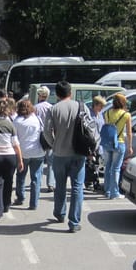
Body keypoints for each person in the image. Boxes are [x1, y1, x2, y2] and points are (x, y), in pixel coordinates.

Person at [43, 81, 88, 233]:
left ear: (57, 94)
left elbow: (47, 131)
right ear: (71, 92)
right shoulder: (81, 106)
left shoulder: (53, 109)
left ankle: (60, 213)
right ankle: (74, 222)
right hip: (78, 152)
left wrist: (54, 144)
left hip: (60, 153)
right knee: (77, 187)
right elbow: (91, 127)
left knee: (60, 185)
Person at [12, 98, 45, 209]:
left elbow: (14, 138)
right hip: (38, 152)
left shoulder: (16, 121)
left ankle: (20, 197)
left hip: (23, 152)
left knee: (21, 175)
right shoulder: (37, 119)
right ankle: (34, 203)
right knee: (36, 178)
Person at [102, 92, 133, 200]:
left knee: (108, 167)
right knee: (116, 168)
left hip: (107, 143)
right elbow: (129, 133)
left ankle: (107, 190)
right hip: (119, 143)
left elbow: (107, 128)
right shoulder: (126, 115)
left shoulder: (107, 113)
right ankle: (114, 193)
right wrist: (130, 146)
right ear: (123, 103)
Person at [34, 86, 55, 193]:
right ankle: (51, 183)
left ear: (40, 96)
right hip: (50, 135)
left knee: (40, 160)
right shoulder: (51, 107)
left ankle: (38, 181)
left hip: (39, 135)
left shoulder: (36, 107)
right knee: (51, 161)